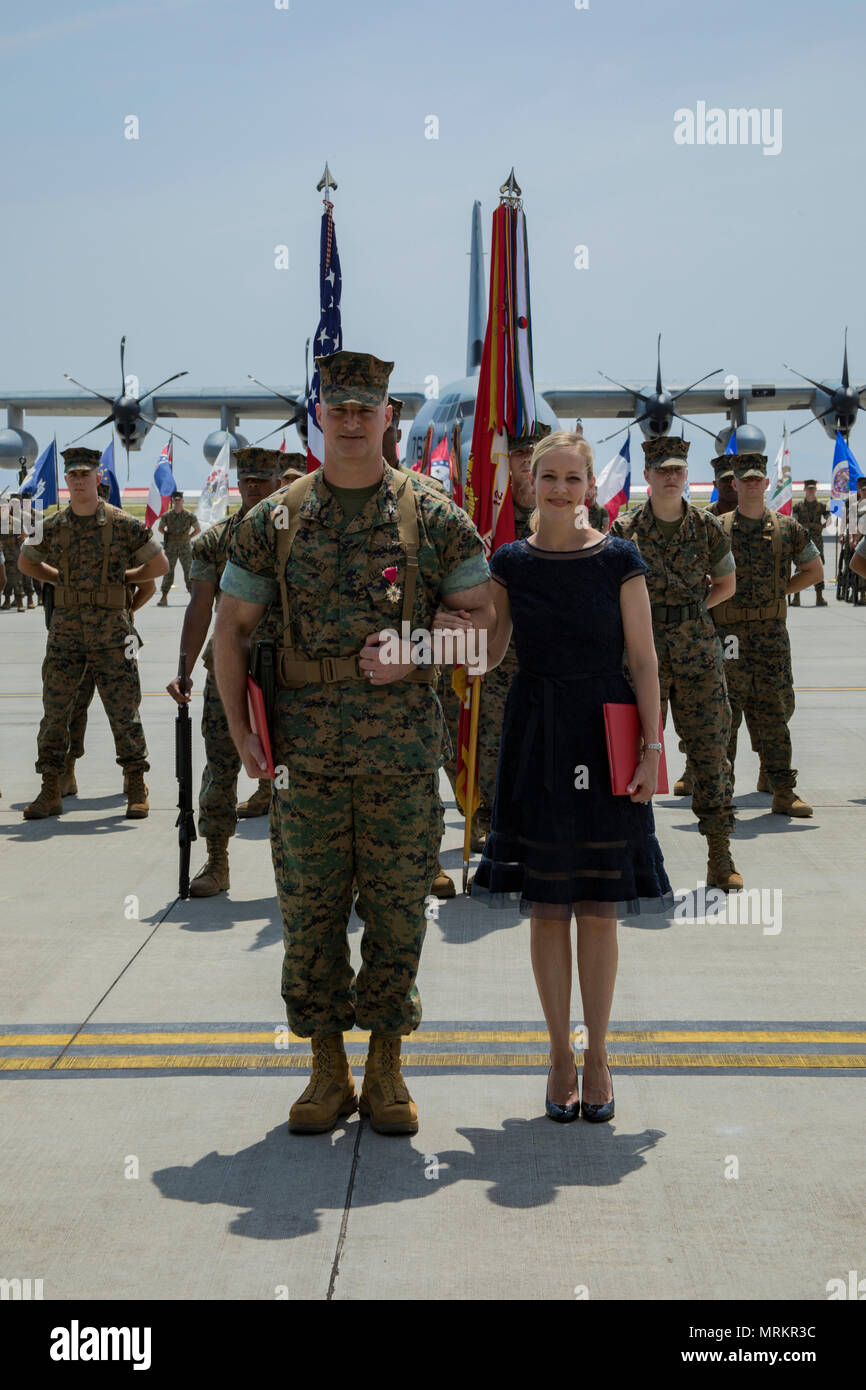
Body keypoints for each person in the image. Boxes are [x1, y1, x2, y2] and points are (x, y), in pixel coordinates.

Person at [213, 350, 493, 1136]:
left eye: (364, 408)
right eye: (336, 406)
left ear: (388, 417)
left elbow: (489, 638)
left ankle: (388, 1063)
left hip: (402, 761)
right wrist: (239, 729)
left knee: (400, 914)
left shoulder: (434, 518)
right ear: (319, 414)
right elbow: (231, 632)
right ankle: (327, 1067)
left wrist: (423, 650)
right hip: (305, 760)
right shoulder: (274, 519)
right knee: (309, 917)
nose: (349, 419)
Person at [470, 431, 672, 1122]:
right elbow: (490, 654)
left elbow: (644, 661)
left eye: (571, 477)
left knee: (600, 905)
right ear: (530, 484)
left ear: (591, 485)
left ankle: (600, 1056)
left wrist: (652, 748)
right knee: (550, 904)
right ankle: (559, 1054)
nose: (559, 488)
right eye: (547, 477)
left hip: (607, 729)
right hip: (537, 732)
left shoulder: (620, 558)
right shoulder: (509, 562)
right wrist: (450, 632)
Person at [612, 437, 740, 890]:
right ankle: (631, 856)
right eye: (662, 470)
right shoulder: (624, 529)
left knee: (711, 753)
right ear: (646, 476)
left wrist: (693, 610)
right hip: (641, 653)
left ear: (687, 476)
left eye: (678, 470)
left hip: (698, 653)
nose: (671, 476)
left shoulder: (707, 527)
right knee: (633, 755)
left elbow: (726, 583)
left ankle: (720, 856)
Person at [18, 447, 168, 819]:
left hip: (112, 636)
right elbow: (25, 561)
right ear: (66, 480)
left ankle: (135, 782)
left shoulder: (123, 523)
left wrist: (123, 581)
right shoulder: (52, 525)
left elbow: (160, 563)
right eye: (73, 475)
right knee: (55, 712)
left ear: (98, 477)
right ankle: (50, 787)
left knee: (124, 711)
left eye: (85, 474)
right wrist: (58, 579)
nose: (79, 480)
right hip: (66, 635)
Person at [166, 447, 283, 896]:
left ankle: (309, 873)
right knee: (221, 764)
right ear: (238, 483)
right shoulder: (215, 540)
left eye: (263, 480)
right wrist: (184, 669)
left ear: (278, 481)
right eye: (248, 481)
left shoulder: (297, 535)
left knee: (301, 773)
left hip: (290, 675)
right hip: (231, 672)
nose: (254, 488)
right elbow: (199, 604)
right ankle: (216, 860)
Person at [712, 453, 823, 816]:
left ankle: (782, 789)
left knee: (775, 711)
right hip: (729, 635)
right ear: (735, 484)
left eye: (758, 479)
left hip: (771, 633)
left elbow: (814, 570)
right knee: (726, 714)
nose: (752, 485)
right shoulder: (717, 527)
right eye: (745, 480)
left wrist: (781, 592)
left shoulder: (787, 528)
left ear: (766, 483)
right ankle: (721, 790)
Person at [470, 424, 550, 852]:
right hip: (501, 645)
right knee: (493, 735)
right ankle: (488, 816)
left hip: (552, 647)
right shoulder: (488, 517)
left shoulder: (567, 516)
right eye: (518, 455)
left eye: (533, 455)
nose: (525, 462)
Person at [157, 491, 200, 605]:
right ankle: (164, 597)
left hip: (185, 547)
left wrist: (188, 537)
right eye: (175, 501)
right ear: (172, 501)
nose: (177, 503)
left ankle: (193, 597)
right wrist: (168, 534)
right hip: (171, 547)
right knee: (168, 571)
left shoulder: (189, 516)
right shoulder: (167, 515)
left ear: (183, 501)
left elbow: (197, 529)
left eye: (179, 500)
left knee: (188, 571)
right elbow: (160, 528)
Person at [791, 480, 830, 606]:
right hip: (802, 540)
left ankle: (819, 597)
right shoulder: (798, 506)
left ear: (816, 490)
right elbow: (793, 521)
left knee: (818, 567)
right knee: (799, 567)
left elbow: (830, 519)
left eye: (813, 488)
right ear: (805, 489)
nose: (811, 491)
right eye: (809, 488)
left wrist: (821, 526)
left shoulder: (821, 506)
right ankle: (796, 597)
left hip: (817, 540)